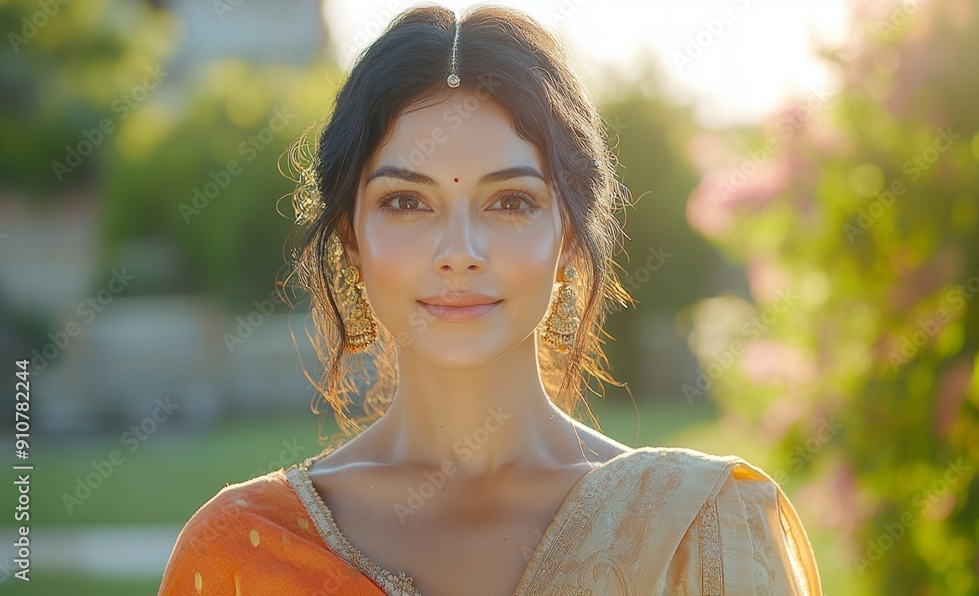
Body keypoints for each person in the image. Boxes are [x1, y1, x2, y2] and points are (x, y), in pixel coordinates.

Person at [158, 4, 823, 595]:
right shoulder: (242, 555)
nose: (459, 249)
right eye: (407, 201)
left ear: (567, 234)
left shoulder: (703, 530)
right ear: (350, 239)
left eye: (510, 201)